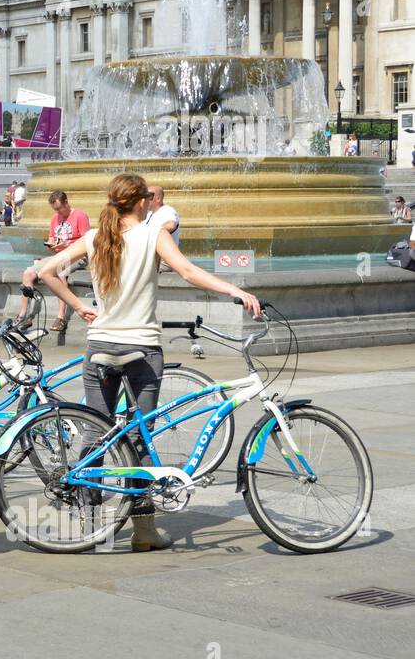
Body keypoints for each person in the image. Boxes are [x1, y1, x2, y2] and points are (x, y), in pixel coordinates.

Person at [35, 173, 260, 552]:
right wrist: (235, 290)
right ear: (141, 202)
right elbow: (188, 272)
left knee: (96, 434)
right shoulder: (154, 234)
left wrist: (78, 307)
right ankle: (143, 532)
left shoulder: (95, 238)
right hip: (141, 349)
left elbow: (45, 271)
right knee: (139, 439)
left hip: (100, 347)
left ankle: (90, 527)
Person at [44, 190, 90, 332]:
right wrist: (52, 244)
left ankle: (61, 317)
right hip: (60, 255)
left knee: (59, 273)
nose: (57, 212)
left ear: (66, 202)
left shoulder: (80, 216)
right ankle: (23, 316)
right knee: (29, 273)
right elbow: (52, 237)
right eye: (55, 209)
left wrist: (66, 245)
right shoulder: (55, 218)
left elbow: (86, 242)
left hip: (77, 255)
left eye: (59, 208)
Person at [146, 184, 181, 250]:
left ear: (158, 199)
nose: (146, 199)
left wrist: (148, 233)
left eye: (149, 196)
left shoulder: (167, 210)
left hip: (164, 258)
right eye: (145, 196)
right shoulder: (149, 214)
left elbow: (171, 225)